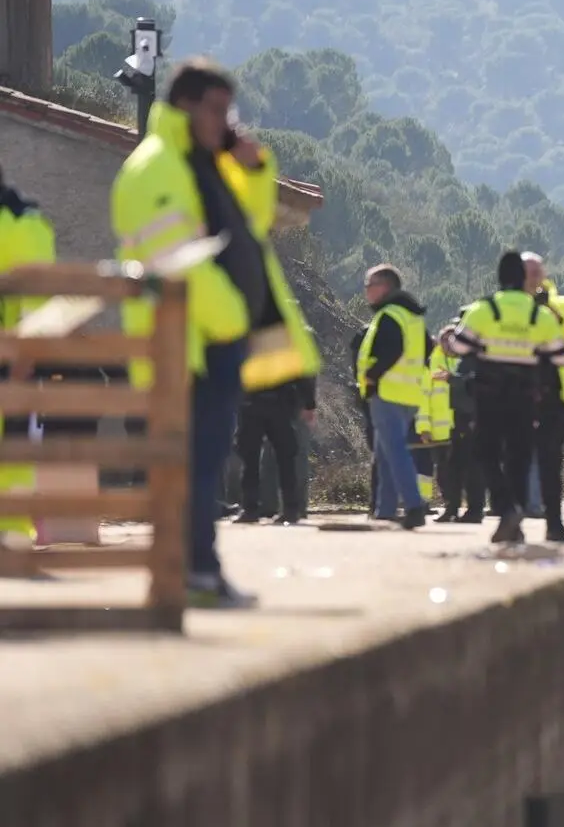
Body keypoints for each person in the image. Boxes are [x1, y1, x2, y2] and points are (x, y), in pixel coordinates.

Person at [113, 58, 322, 608]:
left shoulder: (203, 163)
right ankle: (193, 574)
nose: (226, 120)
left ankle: (201, 569)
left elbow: (251, 225)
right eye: (218, 109)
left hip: (213, 345)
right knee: (193, 465)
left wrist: (253, 170)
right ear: (188, 105)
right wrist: (232, 316)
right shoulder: (159, 166)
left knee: (205, 463)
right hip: (189, 345)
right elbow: (172, 259)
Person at [446, 251, 564, 545]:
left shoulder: (484, 308)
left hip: (489, 395)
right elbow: (560, 355)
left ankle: (506, 509)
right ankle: (514, 522)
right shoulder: (539, 315)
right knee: (519, 457)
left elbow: (459, 346)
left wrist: (453, 337)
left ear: (500, 278)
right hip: (526, 397)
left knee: (485, 453)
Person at [0, 167, 55, 543]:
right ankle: (13, 533)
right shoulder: (25, 221)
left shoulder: (20, 223)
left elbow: (38, 298)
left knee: (15, 450)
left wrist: (25, 357)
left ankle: (13, 533)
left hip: (12, 359)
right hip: (16, 358)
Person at [356, 264, 430, 529]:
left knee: (395, 451)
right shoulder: (413, 317)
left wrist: (372, 376)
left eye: (369, 284)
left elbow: (391, 350)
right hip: (410, 395)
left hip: (387, 393)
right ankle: (384, 510)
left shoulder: (389, 315)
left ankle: (413, 506)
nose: (366, 291)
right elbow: (428, 351)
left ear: (385, 287)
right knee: (385, 454)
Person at [518, 253, 564, 521]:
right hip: (518, 388)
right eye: (526, 272)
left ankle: (545, 513)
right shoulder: (510, 304)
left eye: (536, 272)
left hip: (557, 392)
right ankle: (521, 505)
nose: (532, 277)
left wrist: (553, 314)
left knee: (548, 455)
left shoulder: (562, 305)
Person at [233, 372, 313, 524]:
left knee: (255, 459)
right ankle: (288, 510)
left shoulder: (248, 347)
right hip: (276, 404)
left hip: (256, 403)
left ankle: (252, 510)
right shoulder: (286, 347)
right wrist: (309, 403)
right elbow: (300, 371)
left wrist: (309, 403)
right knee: (282, 459)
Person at [432, 320, 488, 522]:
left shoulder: (475, 360)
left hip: (469, 419)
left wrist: (451, 379)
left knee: (470, 467)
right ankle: (454, 508)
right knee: (455, 466)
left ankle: (472, 510)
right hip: (459, 420)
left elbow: (472, 385)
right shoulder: (466, 359)